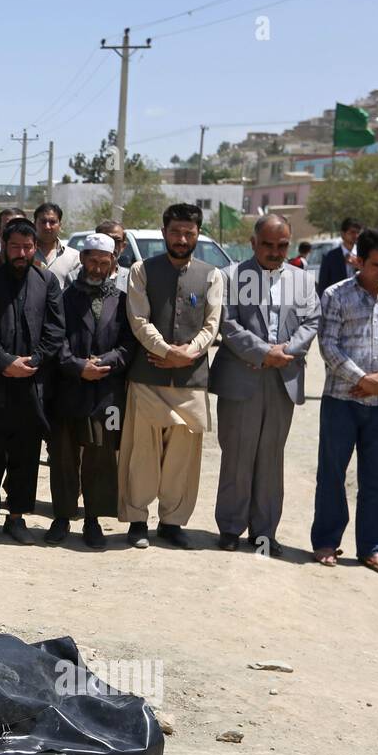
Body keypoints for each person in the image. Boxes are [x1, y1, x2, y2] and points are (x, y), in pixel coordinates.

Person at [208, 214, 319, 555]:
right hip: (243, 377)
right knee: (238, 456)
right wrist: (262, 352)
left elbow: (312, 319)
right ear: (253, 243)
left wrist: (286, 351)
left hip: (282, 378)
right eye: (267, 244)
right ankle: (230, 528)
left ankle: (264, 533)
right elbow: (226, 323)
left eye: (281, 245)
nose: (274, 251)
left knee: (271, 458)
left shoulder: (302, 280)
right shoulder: (230, 277)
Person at [312, 228, 378, 576]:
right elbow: (328, 345)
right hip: (341, 401)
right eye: (376, 264)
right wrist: (361, 379)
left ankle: (372, 548)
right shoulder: (335, 295)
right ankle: (327, 542)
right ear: (358, 260)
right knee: (332, 474)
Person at [118, 204, 224, 549]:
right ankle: (137, 521)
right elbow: (138, 319)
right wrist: (166, 351)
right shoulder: (141, 270)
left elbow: (212, 324)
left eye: (189, 233)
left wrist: (188, 354)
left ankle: (172, 522)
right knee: (141, 453)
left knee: (183, 456)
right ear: (164, 232)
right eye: (176, 232)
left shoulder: (212, 275)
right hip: (147, 378)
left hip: (191, 381)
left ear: (198, 235)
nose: (182, 239)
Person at [0, 217, 64, 544]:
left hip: (32, 385)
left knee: (25, 456)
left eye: (27, 246)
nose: (21, 253)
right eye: (15, 247)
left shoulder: (48, 281)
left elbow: (55, 329)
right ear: (4, 246)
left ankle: (17, 517)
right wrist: (3, 361)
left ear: (35, 246)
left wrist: (35, 360)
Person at [47, 233, 135, 549]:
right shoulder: (63, 298)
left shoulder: (123, 301)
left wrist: (105, 362)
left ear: (113, 262)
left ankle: (93, 519)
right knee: (64, 455)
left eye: (103, 262)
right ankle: (62, 516)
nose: (96, 268)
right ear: (82, 260)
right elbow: (55, 341)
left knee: (100, 456)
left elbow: (128, 345)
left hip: (106, 393)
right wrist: (78, 366)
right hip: (69, 388)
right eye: (91, 261)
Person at [31, 202, 80, 286]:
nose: (47, 226)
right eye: (43, 221)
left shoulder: (74, 257)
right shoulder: (24, 254)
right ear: (34, 224)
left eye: (52, 222)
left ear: (60, 225)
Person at [317, 218, 362, 296]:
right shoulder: (330, 257)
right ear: (343, 234)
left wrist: (359, 266)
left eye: (358, 232)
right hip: (337, 301)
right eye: (352, 232)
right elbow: (323, 284)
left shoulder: (363, 254)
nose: (356, 235)